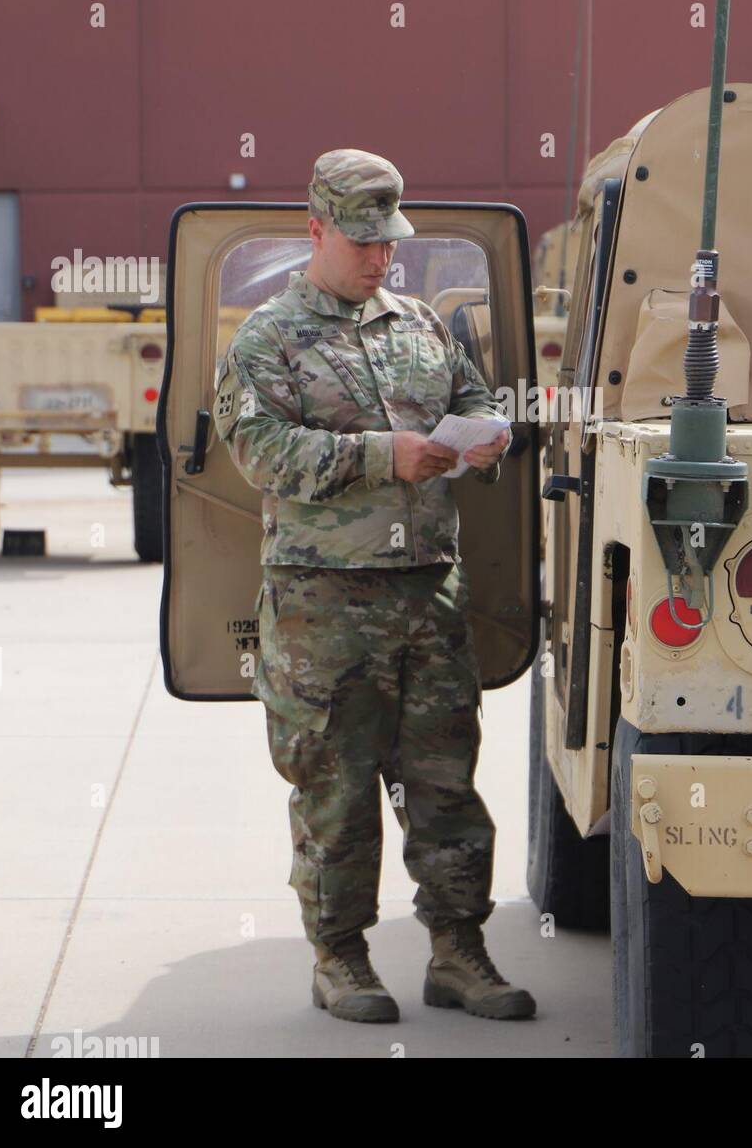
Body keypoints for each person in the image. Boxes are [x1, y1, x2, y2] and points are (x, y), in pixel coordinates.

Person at [212, 147, 535, 1024]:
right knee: (338, 787)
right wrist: (378, 456)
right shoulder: (269, 337)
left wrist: (488, 440)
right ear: (314, 230)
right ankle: (340, 959)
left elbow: (477, 399)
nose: (376, 258)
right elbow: (259, 454)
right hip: (325, 604)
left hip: (427, 594)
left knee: (445, 784)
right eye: (360, 241)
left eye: (387, 242)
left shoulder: (425, 325)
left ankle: (459, 953)